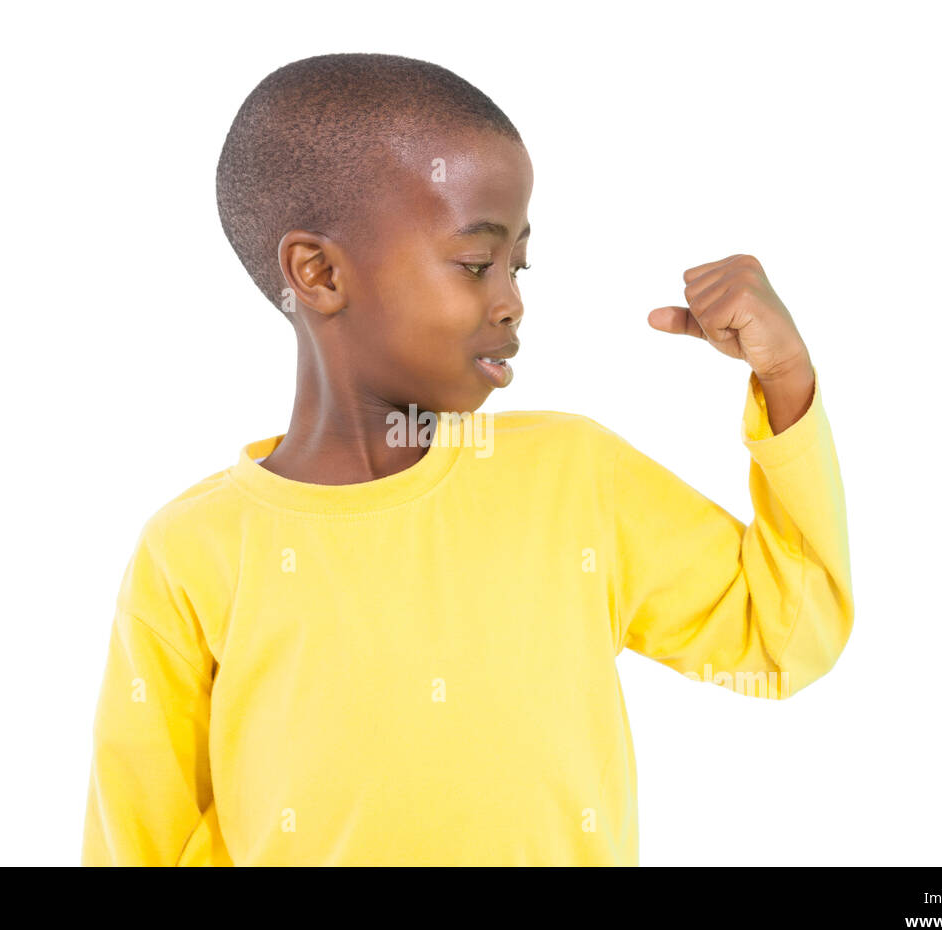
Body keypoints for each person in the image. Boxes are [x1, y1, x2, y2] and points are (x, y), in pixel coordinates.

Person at [81, 52, 854, 866]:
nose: (513, 298)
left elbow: (784, 640)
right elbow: (139, 838)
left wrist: (787, 381)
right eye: (477, 263)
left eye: (518, 264)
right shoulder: (191, 552)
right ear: (319, 273)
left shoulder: (574, 478)